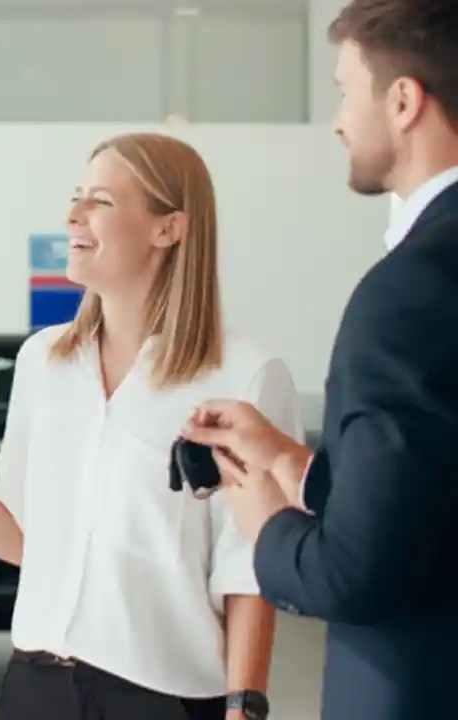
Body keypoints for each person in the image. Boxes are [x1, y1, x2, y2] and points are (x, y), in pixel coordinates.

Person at [0, 133, 297, 720]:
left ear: (168, 228)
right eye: (75, 197)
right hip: (35, 687)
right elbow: (21, 534)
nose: (73, 214)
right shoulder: (44, 362)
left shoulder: (244, 373)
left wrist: (246, 706)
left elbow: (248, 567)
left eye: (101, 201)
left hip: (163, 697)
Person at [181, 1, 458, 718]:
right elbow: (432, 498)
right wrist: (296, 464)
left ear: (402, 100)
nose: (336, 121)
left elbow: (356, 576)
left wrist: (260, 511)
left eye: (344, 90)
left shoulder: (411, 290)